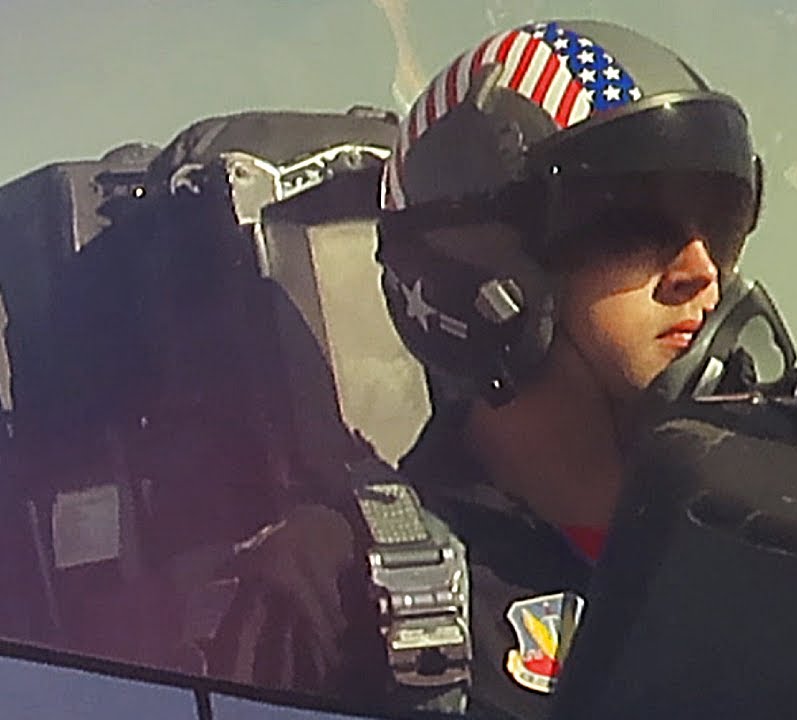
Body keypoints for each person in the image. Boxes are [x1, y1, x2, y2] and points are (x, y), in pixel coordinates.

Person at [207, 19, 763, 720]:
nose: (700, 271)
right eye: (632, 225)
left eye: (719, 225)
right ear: (483, 268)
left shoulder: (767, 557)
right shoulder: (336, 593)